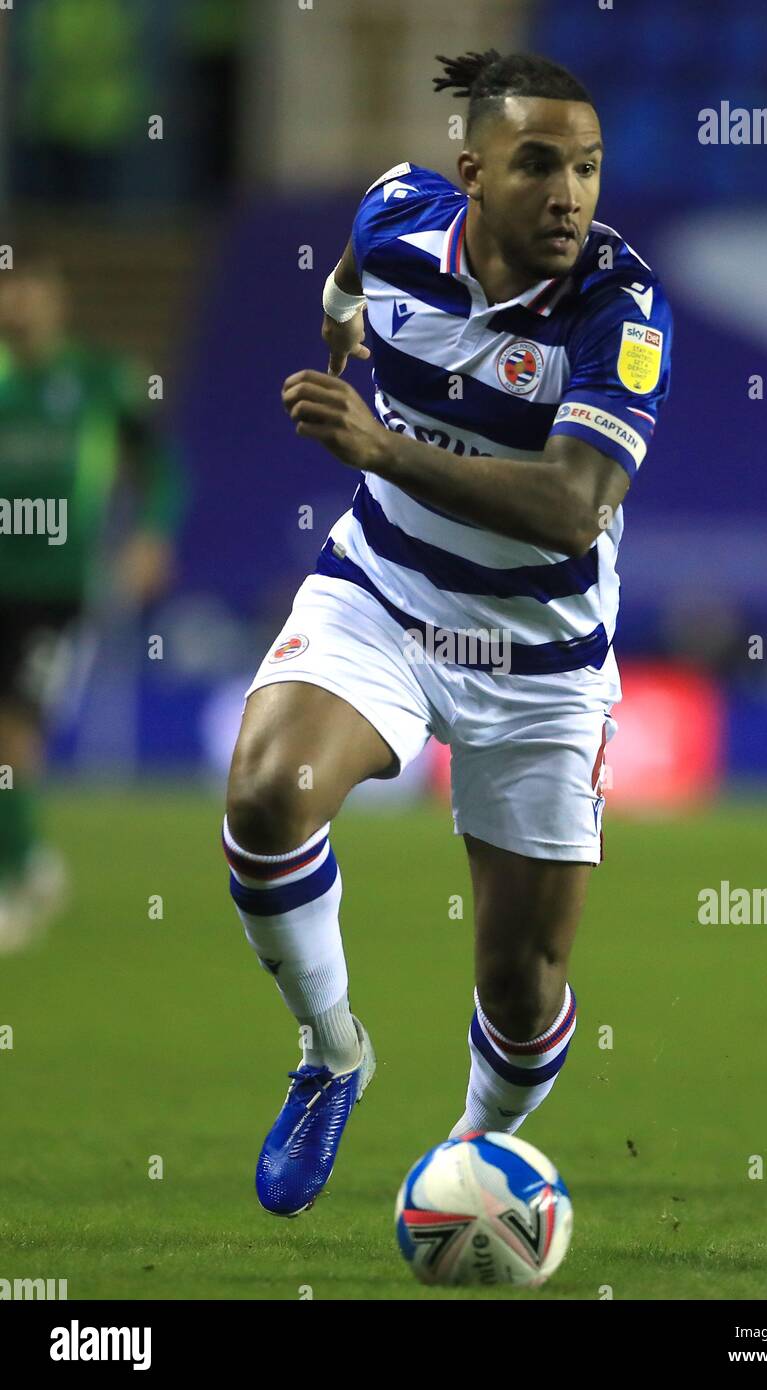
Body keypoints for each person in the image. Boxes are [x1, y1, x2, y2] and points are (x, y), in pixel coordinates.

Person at [224, 50, 673, 1217]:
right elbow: (348, 268)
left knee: (521, 986)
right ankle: (332, 1053)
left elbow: (574, 506)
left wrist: (380, 445)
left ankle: (470, 1157)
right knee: (267, 795)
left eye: (587, 167)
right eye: (539, 165)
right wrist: (337, 328)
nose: (571, 192)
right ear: (471, 171)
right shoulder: (397, 218)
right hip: (385, 596)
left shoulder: (619, 309)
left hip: (540, 657)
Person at [0, 252, 182, 952]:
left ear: (55, 301)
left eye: (29, 292)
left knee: (15, 732)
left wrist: (150, 535)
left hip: (52, 591)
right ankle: (34, 865)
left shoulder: (98, 381)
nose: (19, 306)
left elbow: (163, 466)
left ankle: (20, 877)